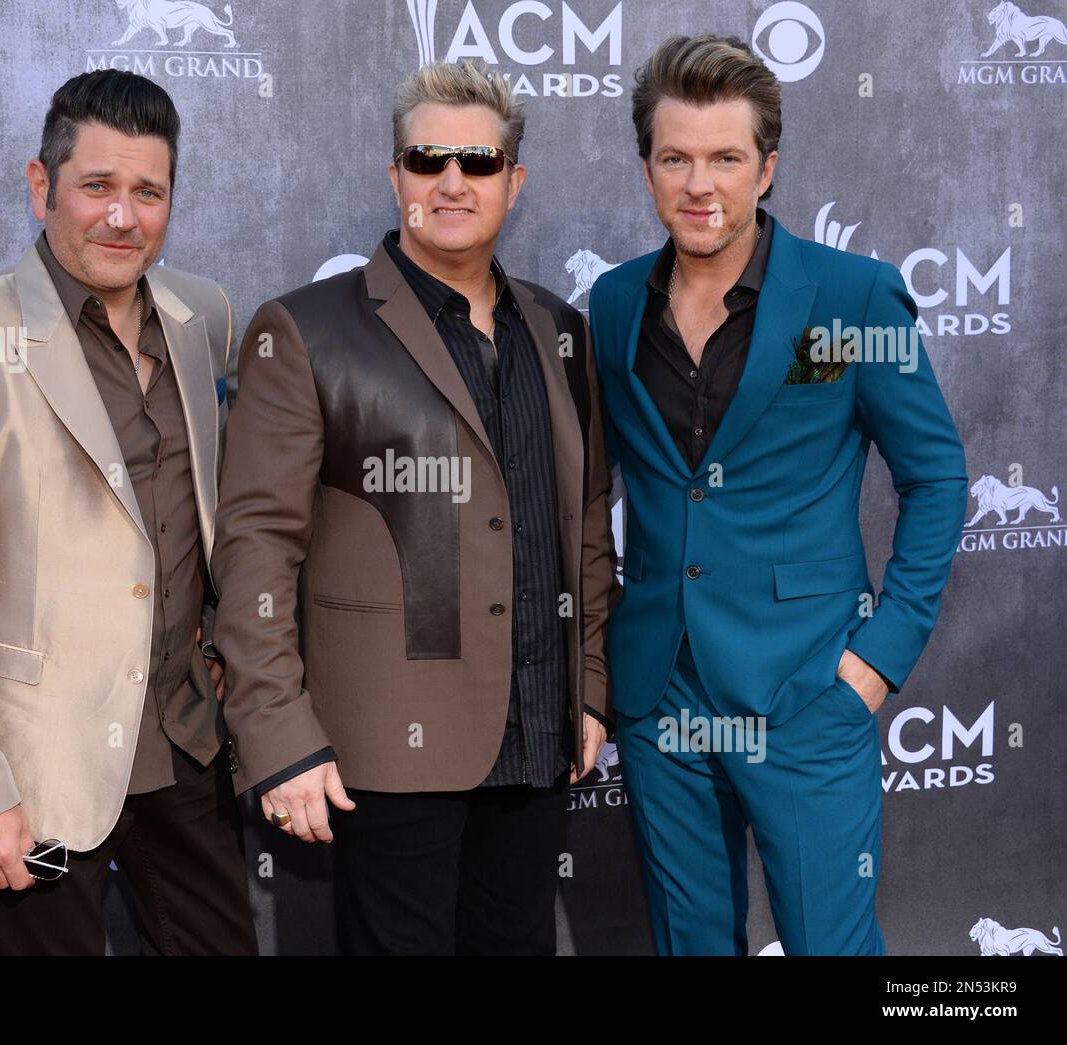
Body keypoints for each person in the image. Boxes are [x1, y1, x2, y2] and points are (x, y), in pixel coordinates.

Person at [211, 59, 619, 955]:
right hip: (385, 755)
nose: (450, 182)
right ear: (394, 174)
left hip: (537, 741)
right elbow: (254, 553)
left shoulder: (559, 331)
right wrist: (279, 737)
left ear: (515, 181)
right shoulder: (308, 328)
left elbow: (585, 528)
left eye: (477, 162)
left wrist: (588, 688)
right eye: (425, 159)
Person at [589, 34, 967, 955]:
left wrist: (875, 660)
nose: (699, 183)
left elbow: (936, 475)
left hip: (805, 693)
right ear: (646, 169)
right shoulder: (610, 306)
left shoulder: (851, 301)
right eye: (675, 158)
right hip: (661, 698)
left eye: (725, 157)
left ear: (768, 168)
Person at [0, 69, 255, 955]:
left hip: (187, 745)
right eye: (97, 187)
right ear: (42, 185)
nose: (123, 217)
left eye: (147, 192)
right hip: (34, 773)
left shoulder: (204, 316)